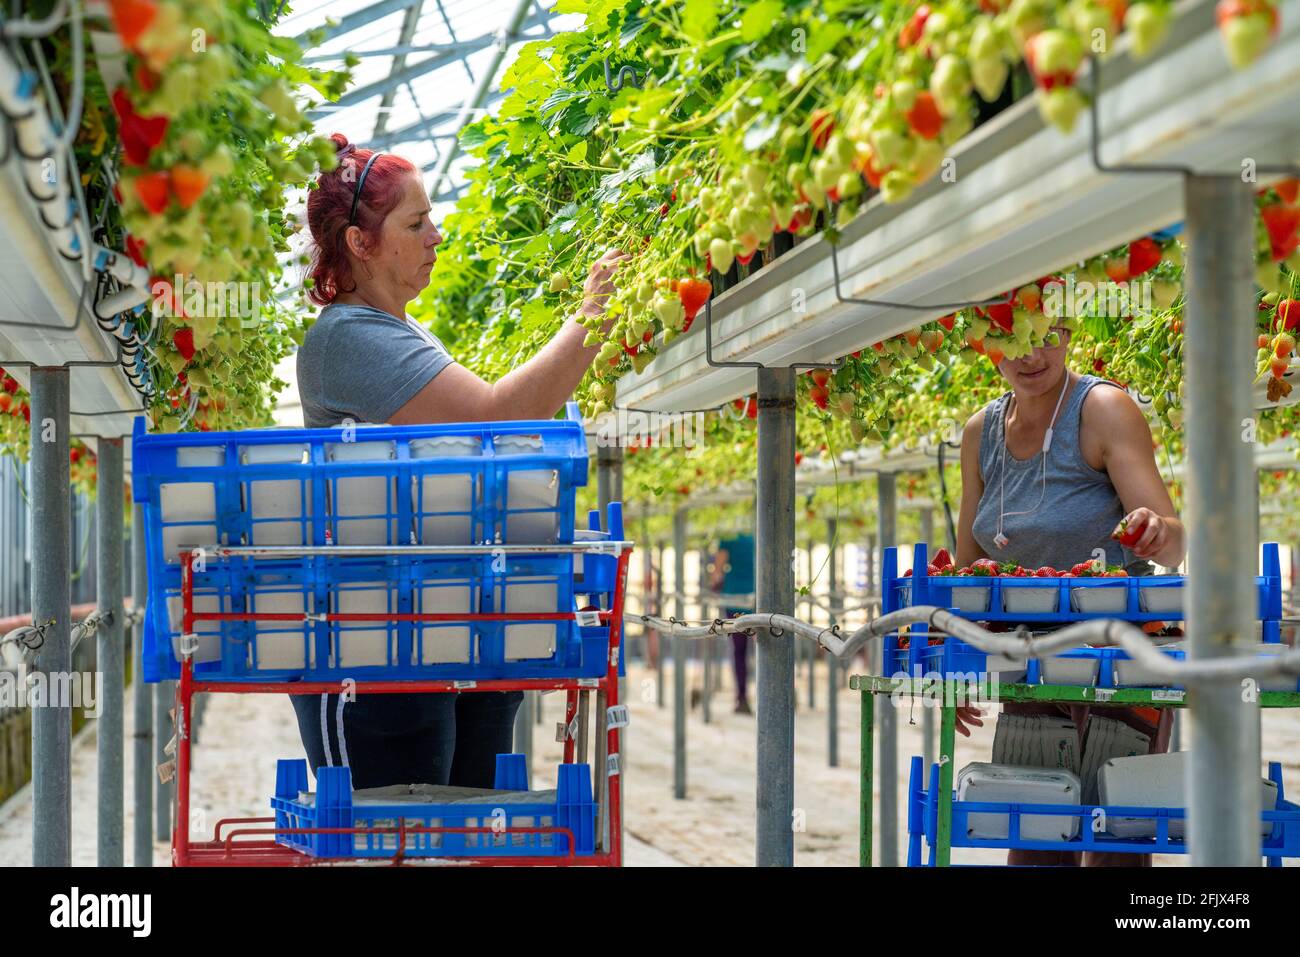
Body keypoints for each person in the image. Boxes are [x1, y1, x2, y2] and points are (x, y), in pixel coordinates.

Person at [291, 134, 627, 789]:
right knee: (404, 839)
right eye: (416, 224)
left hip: (438, 632)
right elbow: (494, 415)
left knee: (461, 834)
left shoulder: (403, 330)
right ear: (360, 244)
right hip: (376, 654)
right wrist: (592, 316)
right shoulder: (349, 339)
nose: (435, 236)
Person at [954, 322, 1187, 867]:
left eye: (1046, 335)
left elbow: (1173, 545)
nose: (1031, 354)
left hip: (1120, 662)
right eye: (1011, 340)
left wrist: (1156, 529)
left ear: (1069, 331)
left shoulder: (1103, 409)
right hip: (1029, 664)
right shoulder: (979, 433)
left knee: (1117, 841)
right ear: (985, 347)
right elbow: (967, 567)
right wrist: (959, 660)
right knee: (1036, 835)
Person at [711, 531, 756, 714]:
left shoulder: (727, 537)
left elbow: (718, 572)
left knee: (739, 651)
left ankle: (742, 697)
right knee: (766, 647)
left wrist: (714, 585)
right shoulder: (758, 533)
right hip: (758, 596)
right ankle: (773, 693)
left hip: (734, 599)